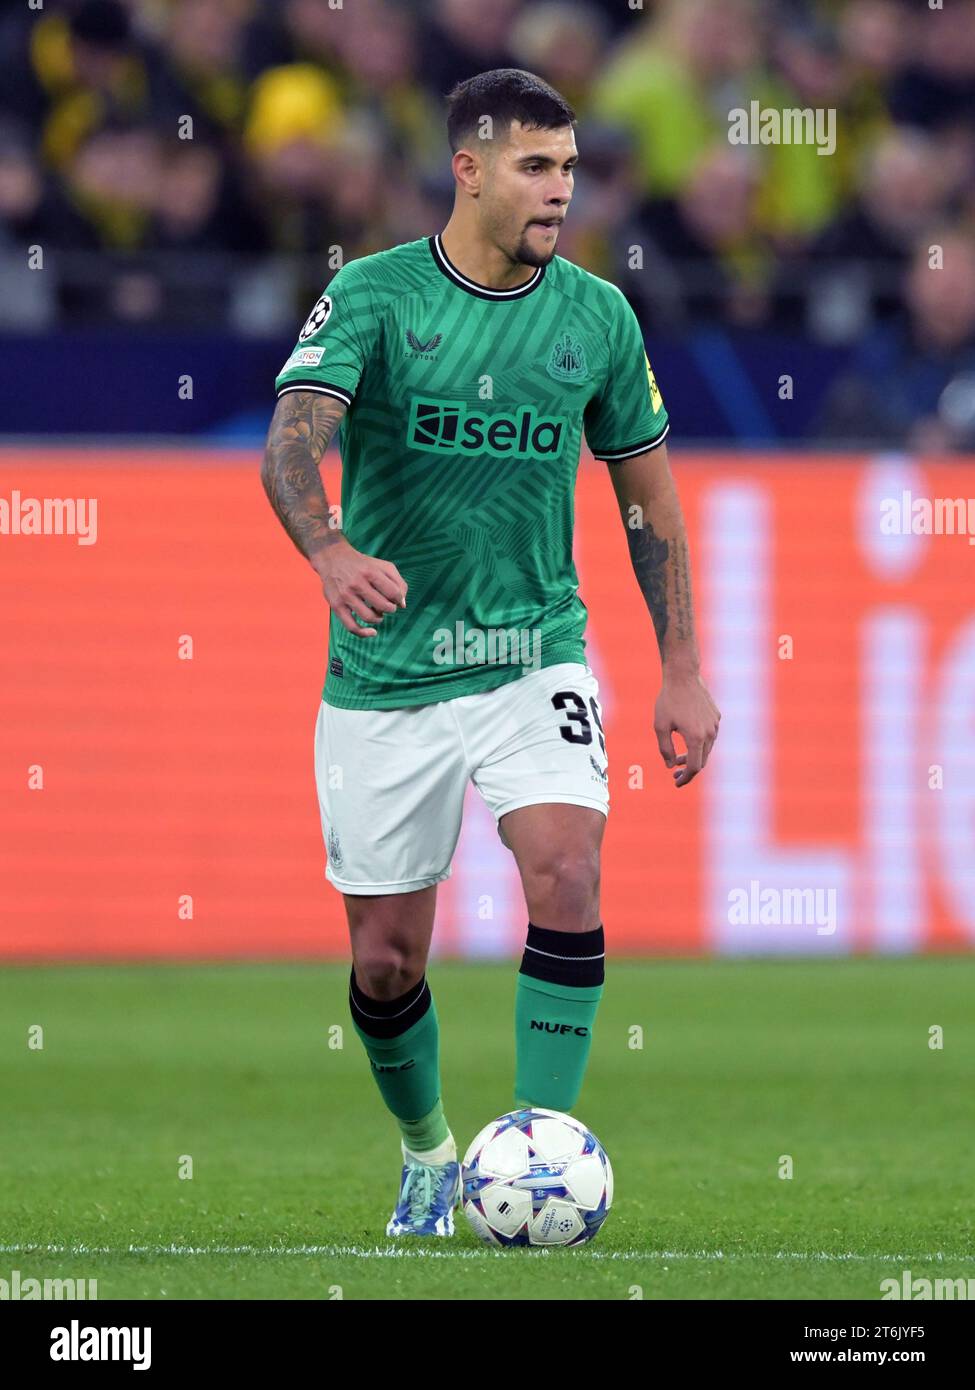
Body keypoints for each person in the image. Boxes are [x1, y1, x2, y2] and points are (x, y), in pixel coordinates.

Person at [261, 68, 720, 1239]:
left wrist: (681, 666)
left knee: (567, 867)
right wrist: (328, 551)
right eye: (536, 165)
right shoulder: (372, 296)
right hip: (387, 676)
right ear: (467, 169)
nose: (561, 190)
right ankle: (427, 1152)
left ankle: (541, 1155)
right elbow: (289, 445)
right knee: (383, 958)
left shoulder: (599, 317)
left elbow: (650, 505)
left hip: (534, 654)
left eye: (569, 168)